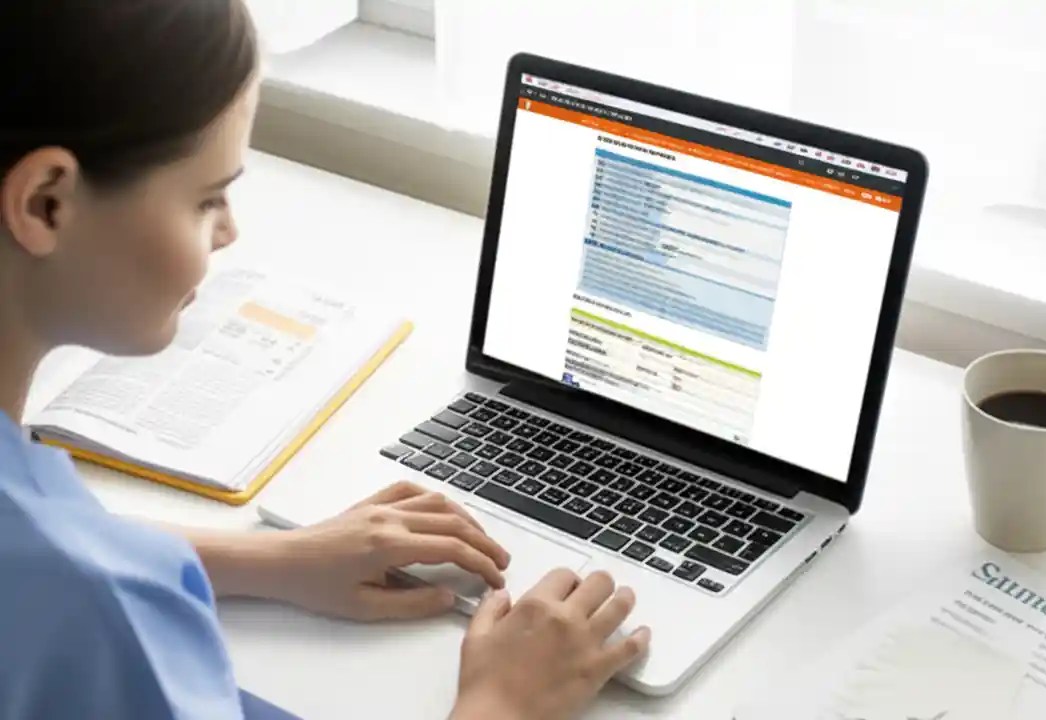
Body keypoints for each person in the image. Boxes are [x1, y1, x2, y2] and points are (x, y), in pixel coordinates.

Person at [0, 2, 649, 719]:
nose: (229, 230)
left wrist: (274, 558)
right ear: (47, 203)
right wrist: (505, 702)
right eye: (207, 199)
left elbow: (52, 550)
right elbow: (65, 570)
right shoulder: (89, 606)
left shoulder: (48, 553)